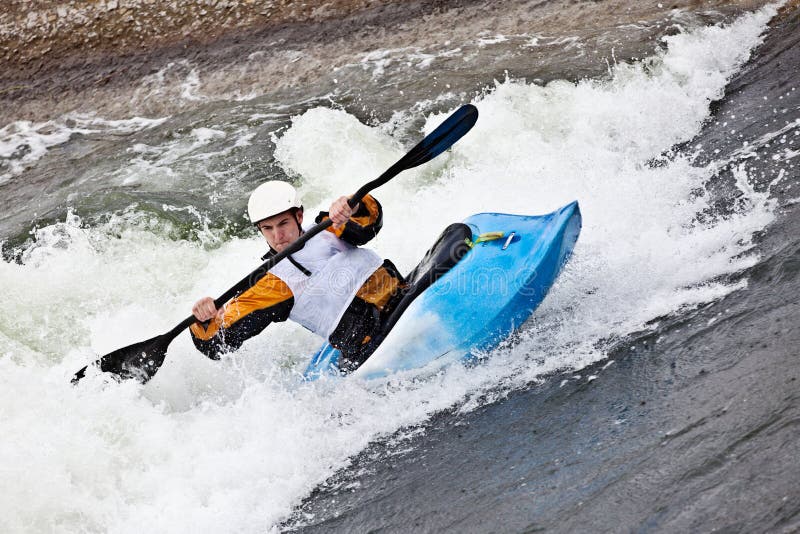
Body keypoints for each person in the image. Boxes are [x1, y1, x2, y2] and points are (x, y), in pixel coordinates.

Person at [190, 180, 406, 371]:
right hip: (371, 342)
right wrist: (205, 320)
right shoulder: (271, 284)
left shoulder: (328, 227)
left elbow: (370, 223)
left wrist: (352, 205)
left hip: (402, 296)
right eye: (268, 228)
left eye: (283, 223)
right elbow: (216, 344)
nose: (278, 236)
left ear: (299, 216)